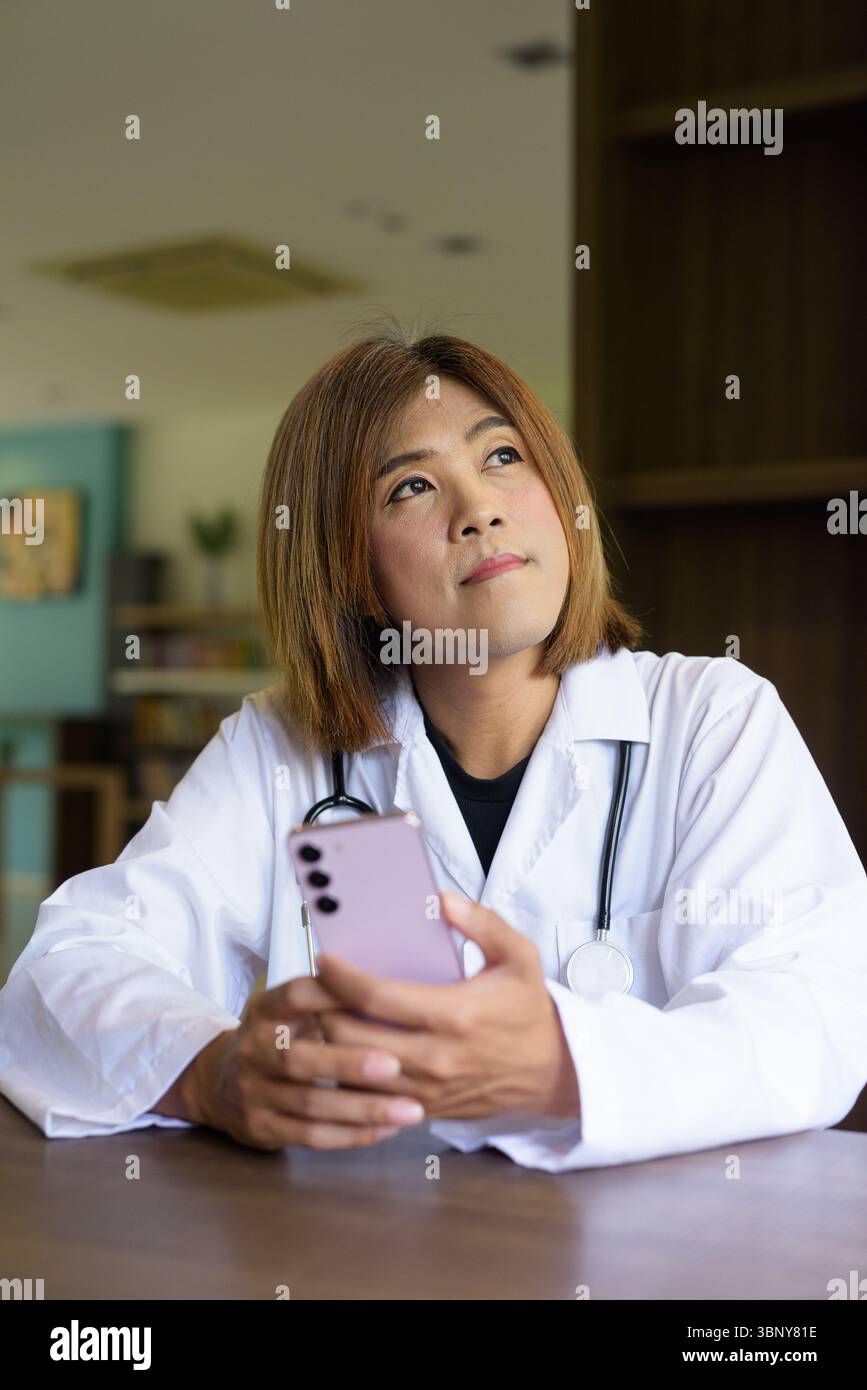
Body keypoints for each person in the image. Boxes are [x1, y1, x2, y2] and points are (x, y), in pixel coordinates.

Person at [1, 329, 865, 1173]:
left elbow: (819, 1009)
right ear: (345, 569)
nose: (478, 509)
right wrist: (211, 1073)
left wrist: (562, 1065)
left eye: (502, 457)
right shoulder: (279, 745)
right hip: (359, 1238)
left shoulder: (711, 718)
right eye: (411, 486)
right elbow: (66, 968)